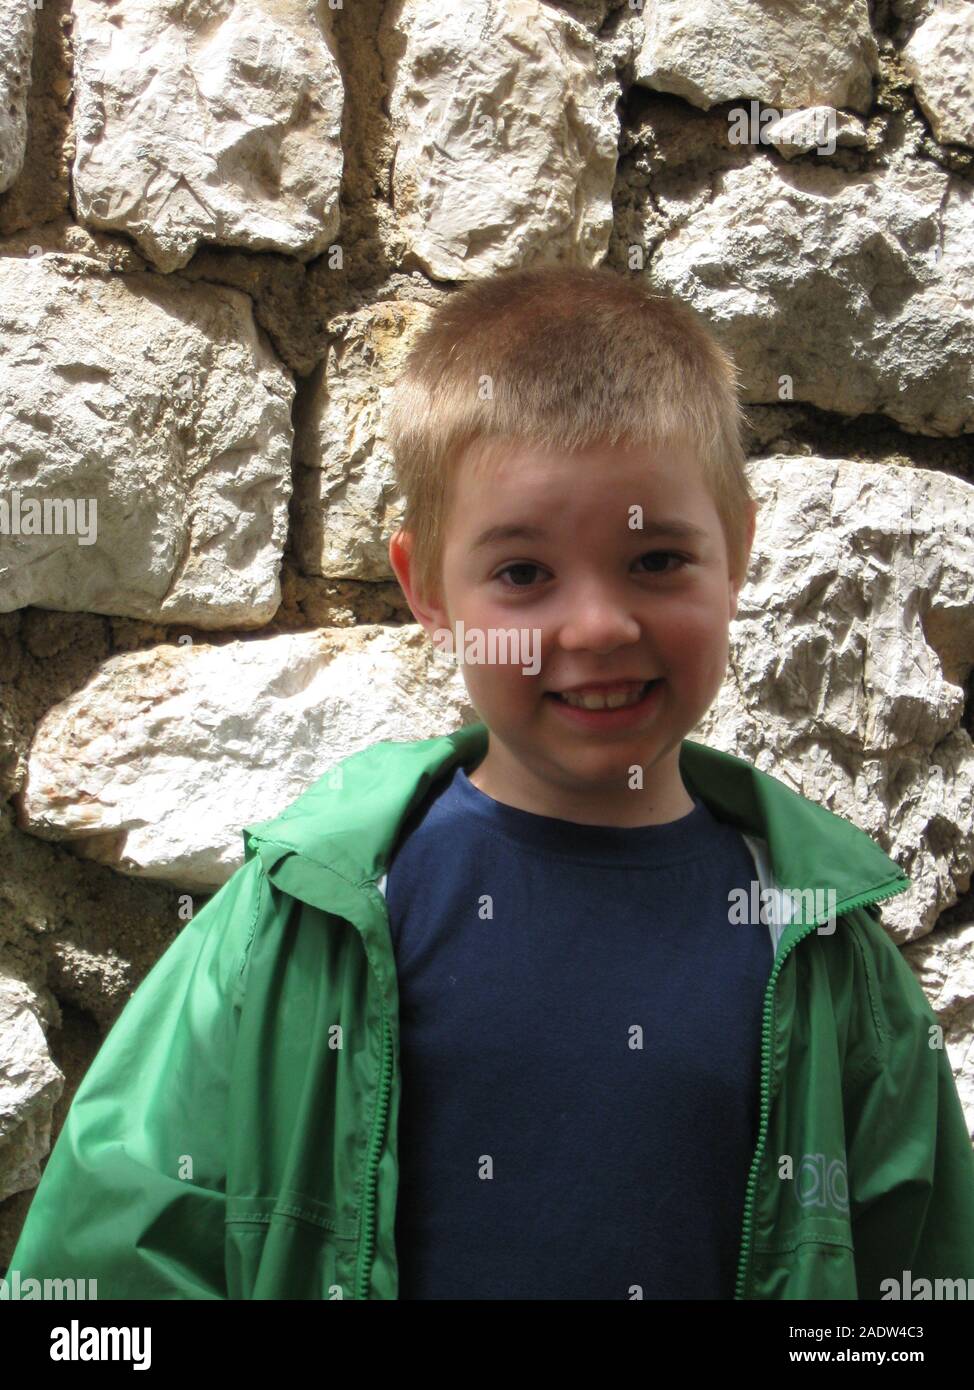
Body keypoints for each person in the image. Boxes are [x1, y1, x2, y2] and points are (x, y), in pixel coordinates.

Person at [7, 266, 973, 1300]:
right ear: (425, 585)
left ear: (734, 549)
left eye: (654, 559)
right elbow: (112, 1266)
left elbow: (913, 1286)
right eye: (521, 574)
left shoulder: (826, 946)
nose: (598, 626)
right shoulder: (301, 920)